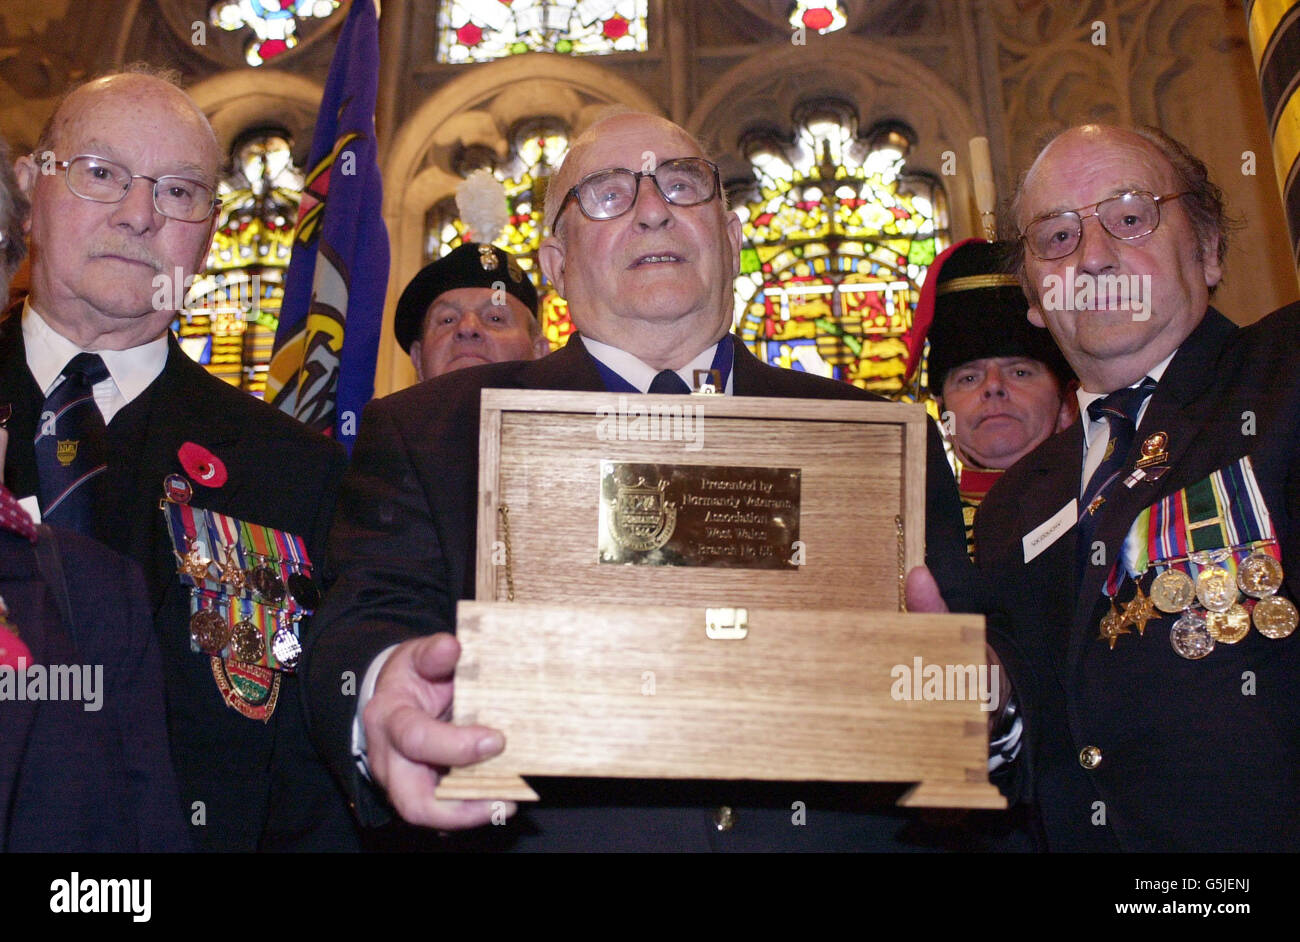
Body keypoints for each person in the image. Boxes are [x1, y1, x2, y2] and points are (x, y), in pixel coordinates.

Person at [305, 111, 976, 851]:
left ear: (731, 234)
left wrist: (980, 709)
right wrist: (384, 687)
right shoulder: (430, 429)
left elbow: (990, 697)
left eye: (682, 185)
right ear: (556, 263)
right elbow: (369, 621)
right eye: (607, 194)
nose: (653, 209)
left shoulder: (889, 442)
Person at [0, 67, 358, 851]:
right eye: (102, 175)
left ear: (209, 230)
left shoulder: (295, 472)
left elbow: (313, 771)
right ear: (31, 192)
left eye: (179, 192)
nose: (139, 216)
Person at [922, 123, 1300, 851]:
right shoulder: (1017, 504)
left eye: (1130, 218)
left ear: (1210, 248)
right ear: (1033, 295)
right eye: (1057, 239)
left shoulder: (1281, 377)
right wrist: (989, 705)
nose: (1094, 257)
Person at [908, 239, 1075, 555]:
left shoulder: (1109, 508)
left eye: (1019, 372)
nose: (993, 387)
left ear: (1067, 404)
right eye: (968, 378)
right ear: (944, 416)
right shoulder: (913, 536)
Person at [393, 242, 549, 382]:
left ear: (538, 351)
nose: (467, 328)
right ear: (418, 359)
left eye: (495, 318)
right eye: (447, 320)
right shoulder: (380, 414)